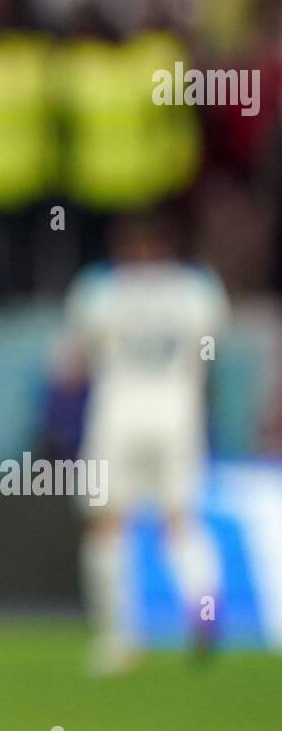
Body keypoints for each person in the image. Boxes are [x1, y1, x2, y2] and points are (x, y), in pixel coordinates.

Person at [62, 210, 228, 676]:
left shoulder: (100, 290)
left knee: (106, 524)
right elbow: (215, 350)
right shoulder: (198, 290)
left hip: (118, 414)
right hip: (178, 412)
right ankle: (202, 600)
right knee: (179, 518)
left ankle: (119, 638)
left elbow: (75, 360)